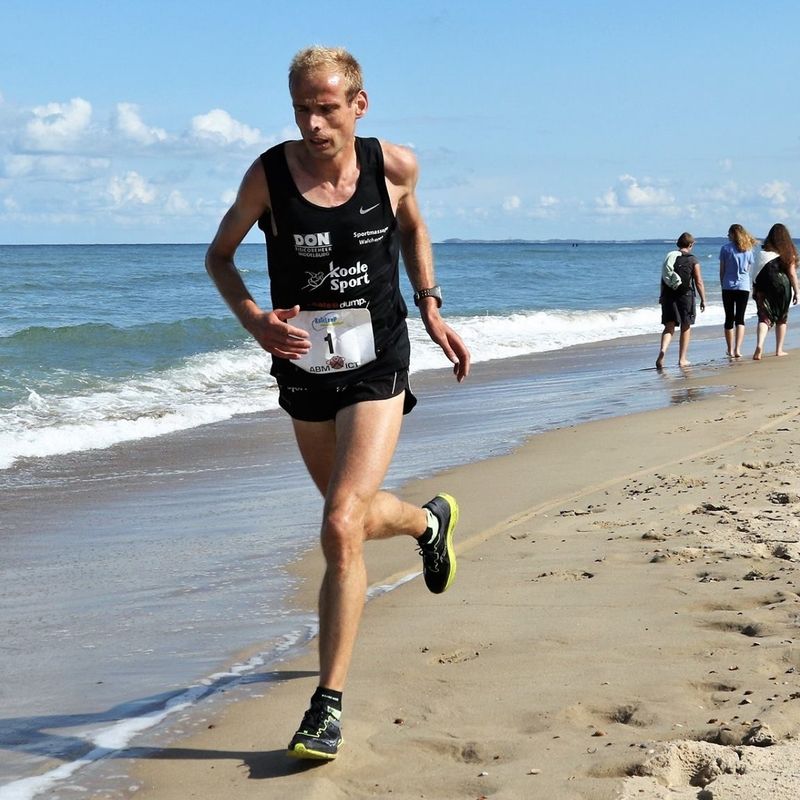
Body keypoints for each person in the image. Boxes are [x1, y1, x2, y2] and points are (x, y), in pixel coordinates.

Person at [205, 46, 471, 761]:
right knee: (346, 522)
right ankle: (426, 522)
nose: (314, 123)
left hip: (377, 356)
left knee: (338, 520)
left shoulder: (395, 167)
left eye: (326, 107)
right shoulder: (268, 175)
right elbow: (219, 256)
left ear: (359, 104)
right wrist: (258, 320)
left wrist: (431, 307)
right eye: (301, 108)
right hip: (305, 361)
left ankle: (327, 705)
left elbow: (413, 226)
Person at [656, 232, 706, 368]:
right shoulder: (693, 259)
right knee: (686, 325)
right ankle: (682, 359)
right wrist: (703, 299)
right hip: (685, 296)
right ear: (691, 244)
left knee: (669, 325)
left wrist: (661, 296)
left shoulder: (670, 258)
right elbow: (699, 281)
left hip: (668, 295)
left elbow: (664, 279)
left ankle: (663, 350)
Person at [752, 223, 799, 359]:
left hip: (763, 285)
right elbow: (792, 274)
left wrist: (754, 289)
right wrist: (797, 291)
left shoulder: (761, 254)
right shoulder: (787, 253)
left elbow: (754, 273)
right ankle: (779, 350)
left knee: (763, 317)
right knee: (781, 319)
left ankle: (760, 344)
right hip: (782, 287)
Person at [719, 223, 757, 358]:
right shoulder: (748, 250)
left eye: (728, 233)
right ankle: (737, 349)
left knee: (729, 318)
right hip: (743, 286)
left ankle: (729, 349)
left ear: (732, 234)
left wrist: (722, 283)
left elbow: (722, 270)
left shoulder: (725, 249)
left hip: (728, 286)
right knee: (740, 318)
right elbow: (749, 270)